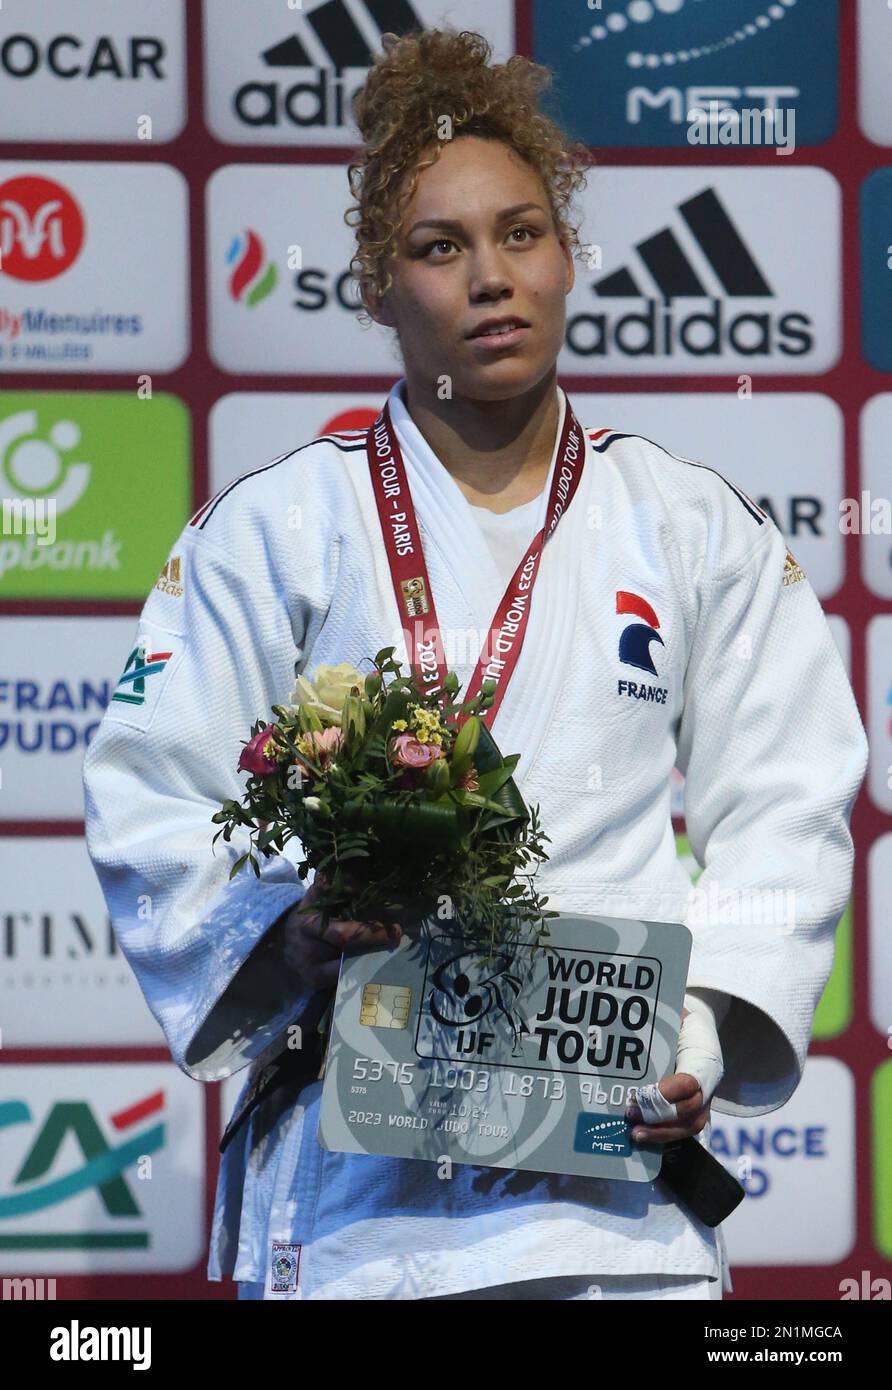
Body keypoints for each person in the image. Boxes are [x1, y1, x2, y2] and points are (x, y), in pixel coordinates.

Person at [82, 28, 868, 1301]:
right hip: (357, 1204)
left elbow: (787, 797)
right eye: (438, 248)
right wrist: (287, 933)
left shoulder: (686, 520)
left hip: (610, 1198)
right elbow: (146, 793)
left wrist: (704, 1027)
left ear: (567, 260)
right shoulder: (279, 529)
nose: (490, 279)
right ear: (376, 291)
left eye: (521, 234)